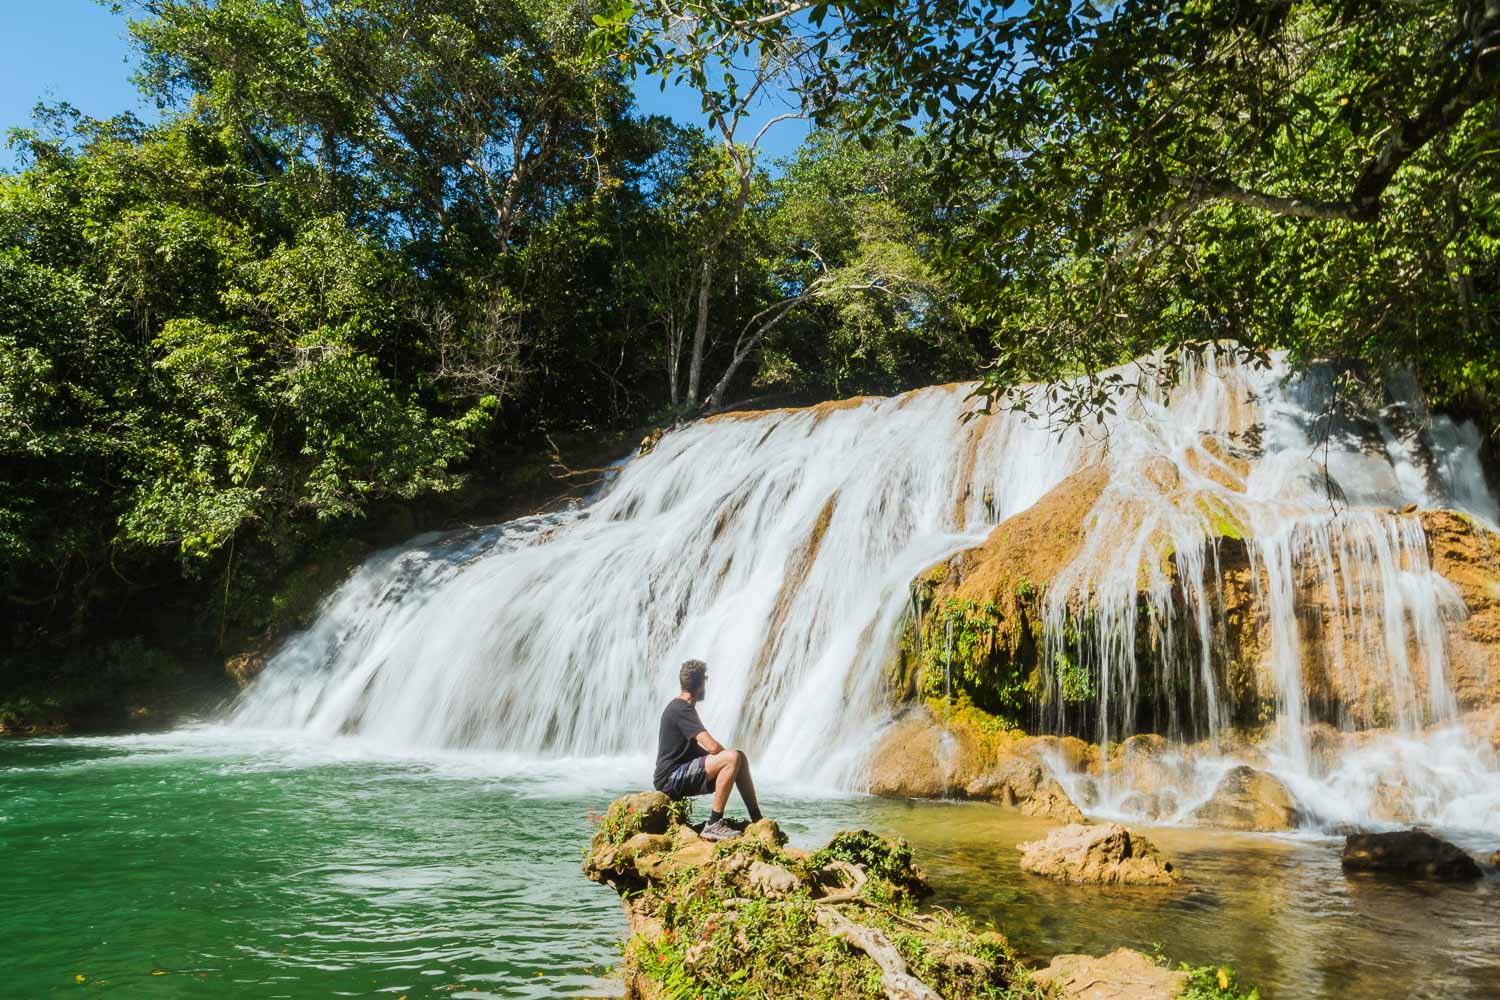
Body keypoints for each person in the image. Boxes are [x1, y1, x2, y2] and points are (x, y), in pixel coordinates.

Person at [653, 658, 764, 841]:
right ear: (701, 684)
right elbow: (711, 746)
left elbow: (697, 752)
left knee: (739, 758)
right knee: (733, 758)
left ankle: (757, 818)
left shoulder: (679, 707)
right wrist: (727, 760)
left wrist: (730, 764)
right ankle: (713, 824)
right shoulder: (682, 709)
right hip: (670, 778)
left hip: (676, 774)